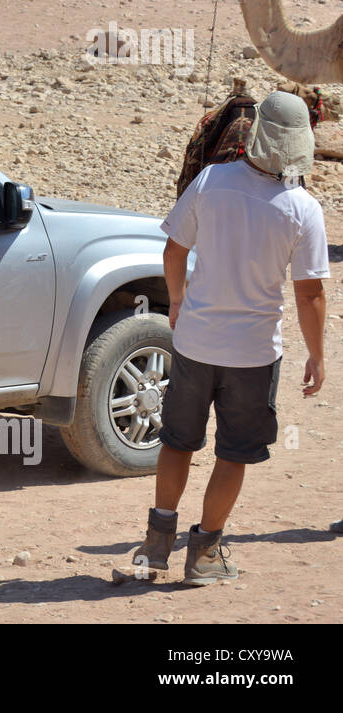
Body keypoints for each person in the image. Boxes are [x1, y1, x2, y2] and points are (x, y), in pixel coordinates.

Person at [114, 92, 328, 586]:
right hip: (253, 354)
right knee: (233, 454)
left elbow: (173, 250)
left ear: (255, 134)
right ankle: (205, 552)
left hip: (194, 343)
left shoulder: (211, 181)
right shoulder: (303, 209)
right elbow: (310, 294)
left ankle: (156, 544)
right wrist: (317, 356)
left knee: (177, 442)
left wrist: (179, 302)